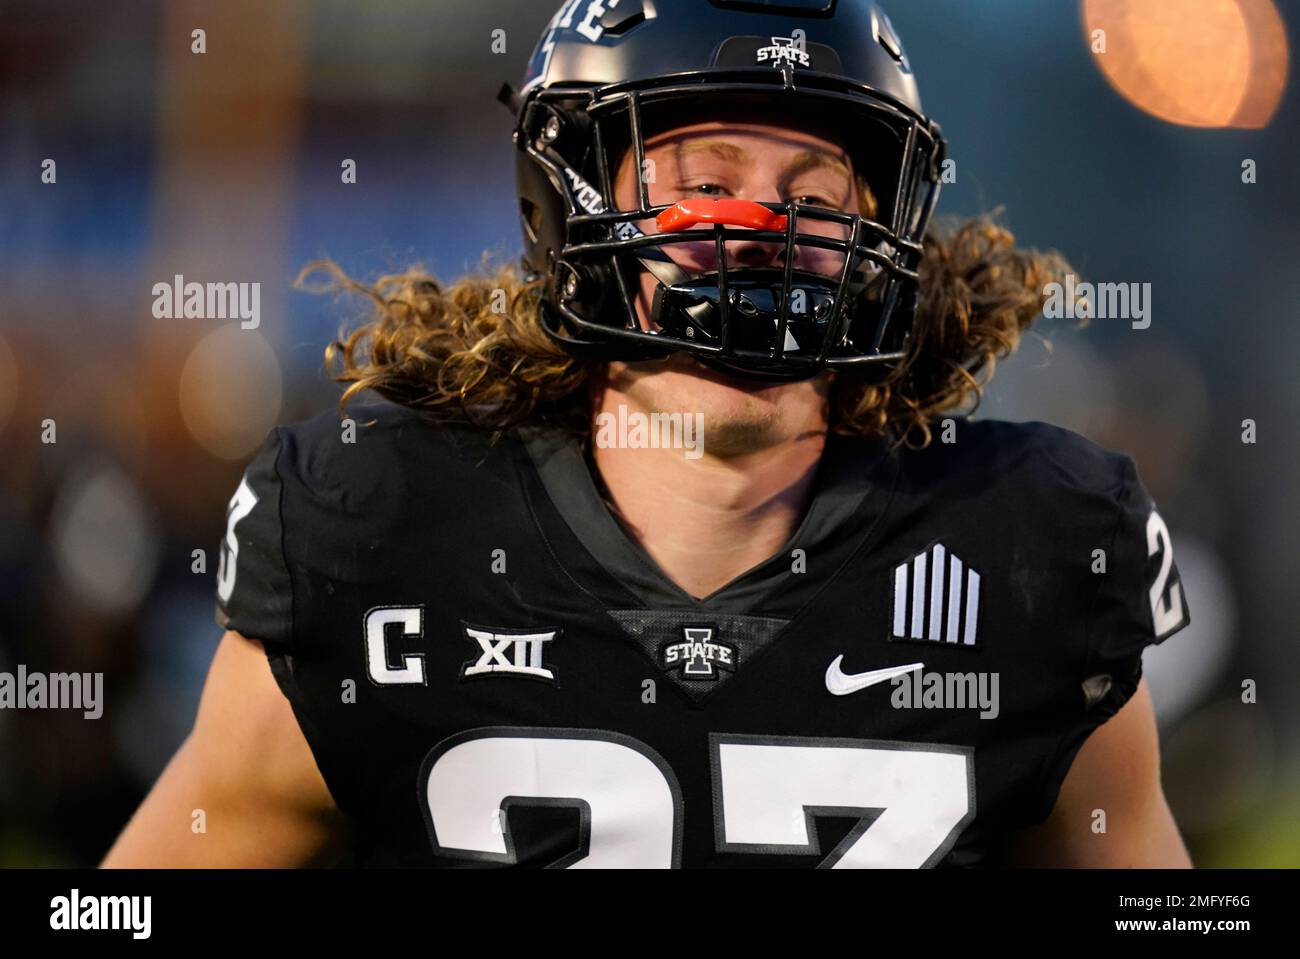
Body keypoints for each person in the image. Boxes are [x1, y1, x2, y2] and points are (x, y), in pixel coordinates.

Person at [104, 0, 1191, 868]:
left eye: (814, 194)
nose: (762, 234)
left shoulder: (1025, 552)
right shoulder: (381, 533)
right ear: (568, 206)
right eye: (704, 184)